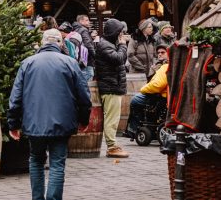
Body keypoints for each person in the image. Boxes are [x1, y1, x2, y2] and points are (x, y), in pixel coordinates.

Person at [8, 28, 92, 200]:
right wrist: (83, 119)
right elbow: (84, 97)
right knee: (57, 165)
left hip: (33, 123)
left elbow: (16, 97)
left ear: (42, 42)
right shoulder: (70, 63)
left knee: (36, 161)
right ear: (60, 44)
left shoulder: (27, 63)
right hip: (62, 124)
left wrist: (13, 123)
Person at [94, 15, 129, 158]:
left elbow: (121, 59)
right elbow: (118, 59)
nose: (122, 34)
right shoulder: (105, 45)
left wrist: (120, 46)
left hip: (113, 85)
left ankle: (112, 144)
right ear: (114, 32)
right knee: (112, 118)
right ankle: (111, 146)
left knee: (113, 117)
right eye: (120, 32)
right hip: (110, 86)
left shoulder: (108, 44)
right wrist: (122, 45)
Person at [127, 53, 169, 138]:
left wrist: (143, 89)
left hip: (159, 95)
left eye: (163, 52)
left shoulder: (165, 67)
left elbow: (157, 85)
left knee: (135, 100)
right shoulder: (157, 66)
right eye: (158, 52)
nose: (159, 54)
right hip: (159, 94)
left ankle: (133, 129)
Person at [71, 15, 96, 80]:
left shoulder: (75, 29)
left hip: (78, 58)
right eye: (87, 20)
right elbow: (88, 44)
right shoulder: (84, 30)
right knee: (89, 74)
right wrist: (95, 55)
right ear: (81, 21)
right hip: (86, 60)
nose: (89, 22)